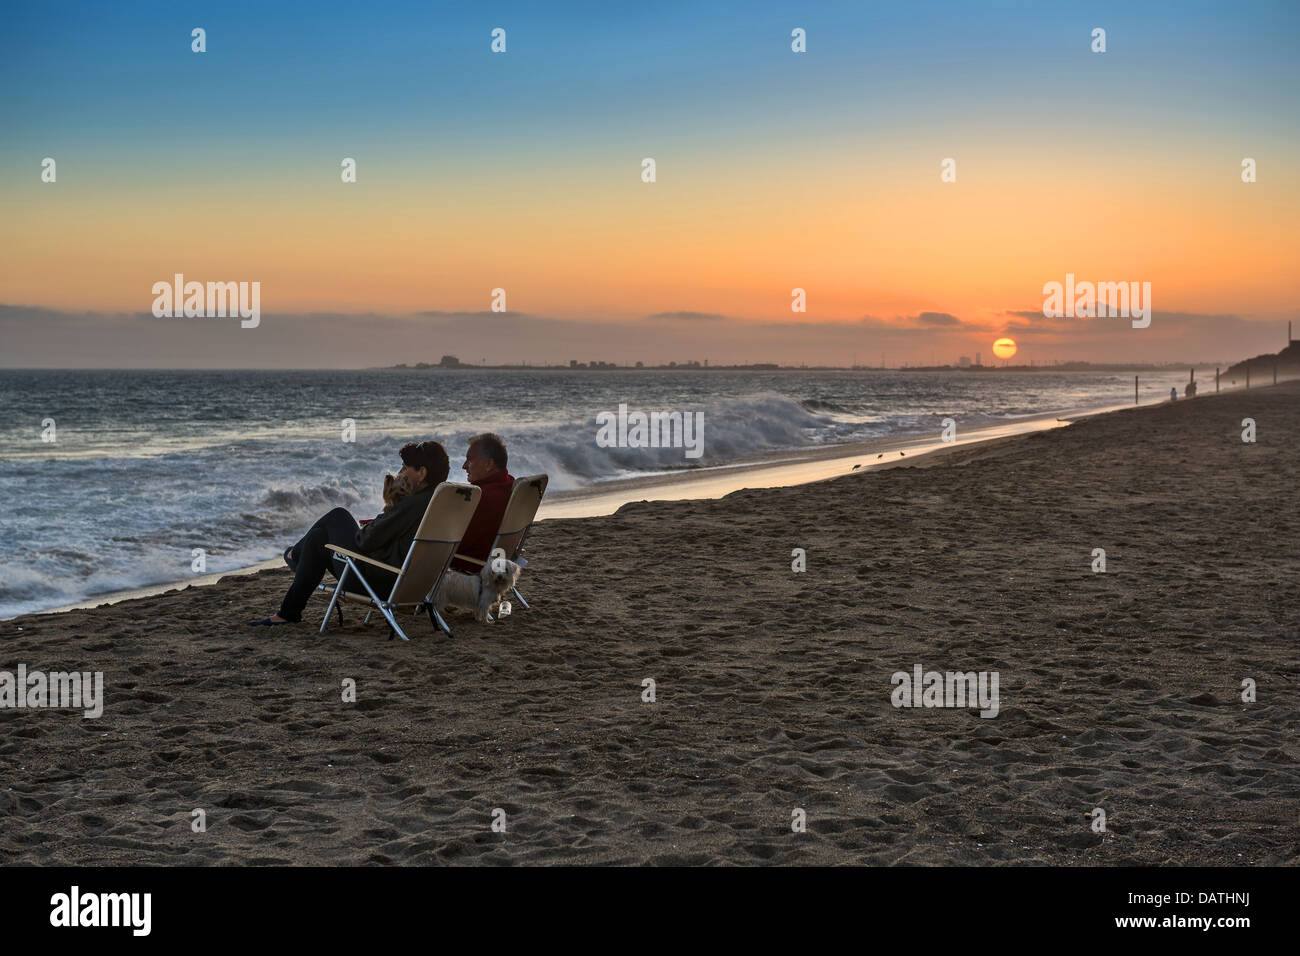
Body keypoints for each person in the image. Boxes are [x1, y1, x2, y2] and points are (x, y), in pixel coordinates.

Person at [248, 440, 450, 626]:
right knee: (318, 539)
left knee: (338, 516)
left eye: (405, 467)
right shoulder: (439, 501)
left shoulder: (411, 505)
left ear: (421, 473)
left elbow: (364, 541)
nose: (400, 472)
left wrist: (389, 510)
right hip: (409, 586)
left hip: (376, 583)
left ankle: (295, 556)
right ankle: (288, 613)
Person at [451, 433, 515, 574]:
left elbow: (455, 546)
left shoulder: (483, 499)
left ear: (489, 464)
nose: (464, 466)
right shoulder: (510, 485)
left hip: (469, 570)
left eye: (469, 460)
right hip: (497, 561)